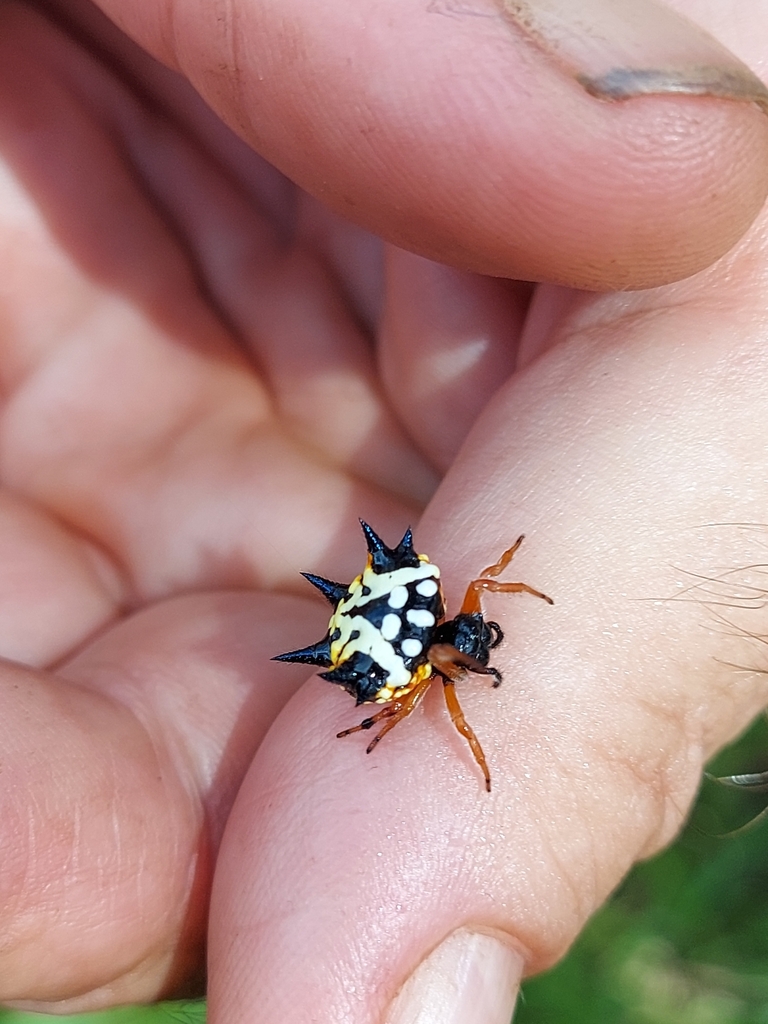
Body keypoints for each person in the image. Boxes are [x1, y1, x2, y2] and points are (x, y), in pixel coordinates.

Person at [2, 0, 768, 1021]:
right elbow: (464, 641)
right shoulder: (444, 649)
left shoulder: (444, 617)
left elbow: (473, 606)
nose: (485, 650)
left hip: (381, 615)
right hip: (383, 620)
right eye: (480, 641)